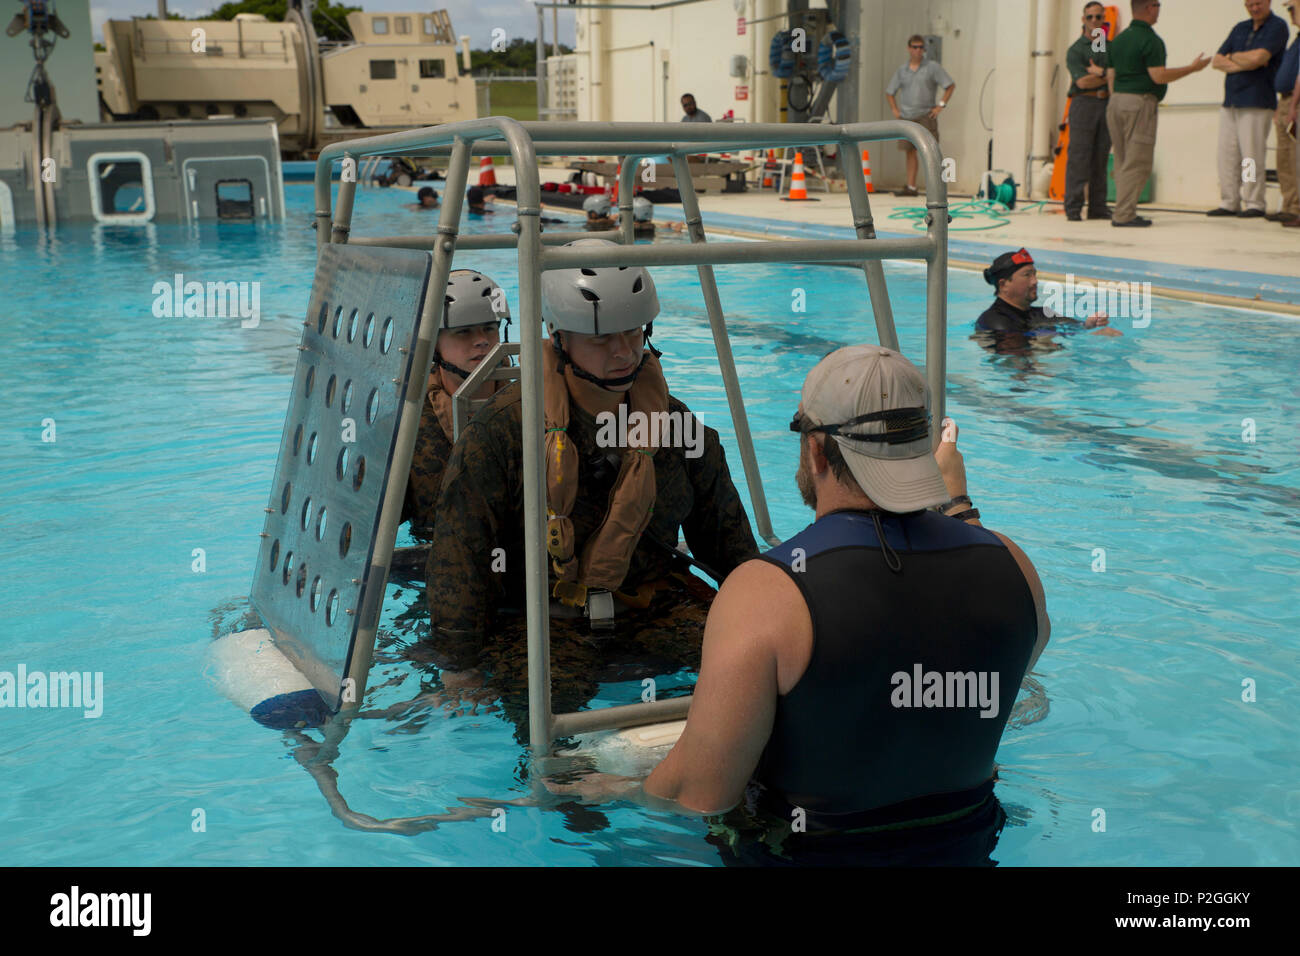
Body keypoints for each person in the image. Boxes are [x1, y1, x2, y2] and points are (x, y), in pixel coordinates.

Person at [553, 346, 1051, 866]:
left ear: (816, 450)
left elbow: (699, 797)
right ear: (922, 446)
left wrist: (616, 787)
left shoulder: (767, 590)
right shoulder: (1016, 568)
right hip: (969, 847)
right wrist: (956, 503)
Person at [423, 238, 758, 740]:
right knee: (550, 730)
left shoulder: (679, 427)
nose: (623, 352)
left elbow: (726, 541)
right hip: (540, 622)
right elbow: (461, 555)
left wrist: (765, 622)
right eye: (601, 339)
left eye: (632, 333)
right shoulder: (504, 431)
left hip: (650, 606)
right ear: (560, 338)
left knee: (760, 675)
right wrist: (459, 663)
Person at [402, 270, 511, 540]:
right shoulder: (407, 426)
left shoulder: (533, 405)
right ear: (434, 346)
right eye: (464, 332)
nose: (482, 340)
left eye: (490, 328)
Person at [1105, 0, 1211, 227]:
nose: (1159, 9)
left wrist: (1118, 98)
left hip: (1115, 102)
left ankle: (1123, 211)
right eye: (1157, 5)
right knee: (1137, 161)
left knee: (1122, 160)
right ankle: (1124, 215)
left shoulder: (1118, 40)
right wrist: (1192, 69)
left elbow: (1110, 75)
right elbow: (1158, 76)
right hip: (1139, 103)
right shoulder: (1151, 40)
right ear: (1149, 8)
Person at [1207, 0, 1290, 218]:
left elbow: (1259, 58)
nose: (1254, 8)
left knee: (1250, 157)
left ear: (1268, 2)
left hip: (1256, 100)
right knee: (1226, 154)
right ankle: (1228, 201)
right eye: (1249, 4)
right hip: (1231, 100)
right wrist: (1243, 61)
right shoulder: (1240, 27)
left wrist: (1233, 58)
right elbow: (1216, 60)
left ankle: (1254, 202)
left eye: (1258, 4)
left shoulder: (1277, 26)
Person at [974, 249, 1121, 354]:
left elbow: (1075, 328)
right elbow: (1015, 366)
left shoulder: (1042, 313)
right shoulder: (994, 322)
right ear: (1004, 284)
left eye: (1035, 275)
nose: (1035, 281)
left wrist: (1089, 325)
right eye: (1027, 275)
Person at [885, 35, 955, 197]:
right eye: (915, 47)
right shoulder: (902, 70)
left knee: (931, 151)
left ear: (924, 49)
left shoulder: (932, 67)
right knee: (910, 152)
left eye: (921, 47)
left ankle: (937, 188)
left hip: (926, 115)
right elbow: (890, 92)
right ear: (909, 48)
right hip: (907, 117)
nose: (918, 50)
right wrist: (895, 110)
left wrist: (940, 106)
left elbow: (950, 85)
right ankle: (911, 187)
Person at [1064, 2, 1114, 221]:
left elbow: (1118, 73)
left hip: (1106, 105)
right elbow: (1083, 82)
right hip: (1084, 104)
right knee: (1079, 157)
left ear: (1103, 19)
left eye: (1098, 17)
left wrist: (1100, 72)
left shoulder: (1108, 47)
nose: (1095, 21)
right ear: (1083, 20)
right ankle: (1073, 207)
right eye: (1090, 17)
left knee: (1101, 157)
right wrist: (1106, 75)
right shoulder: (1076, 50)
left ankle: (1098, 207)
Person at [1268, 0, 1300, 223]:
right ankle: (1289, 204)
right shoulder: (1296, 40)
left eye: (1293, 8)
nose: (1290, 13)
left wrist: (1294, 105)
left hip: (1295, 102)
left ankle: (1297, 207)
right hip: (1285, 100)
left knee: (1295, 158)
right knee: (1285, 157)